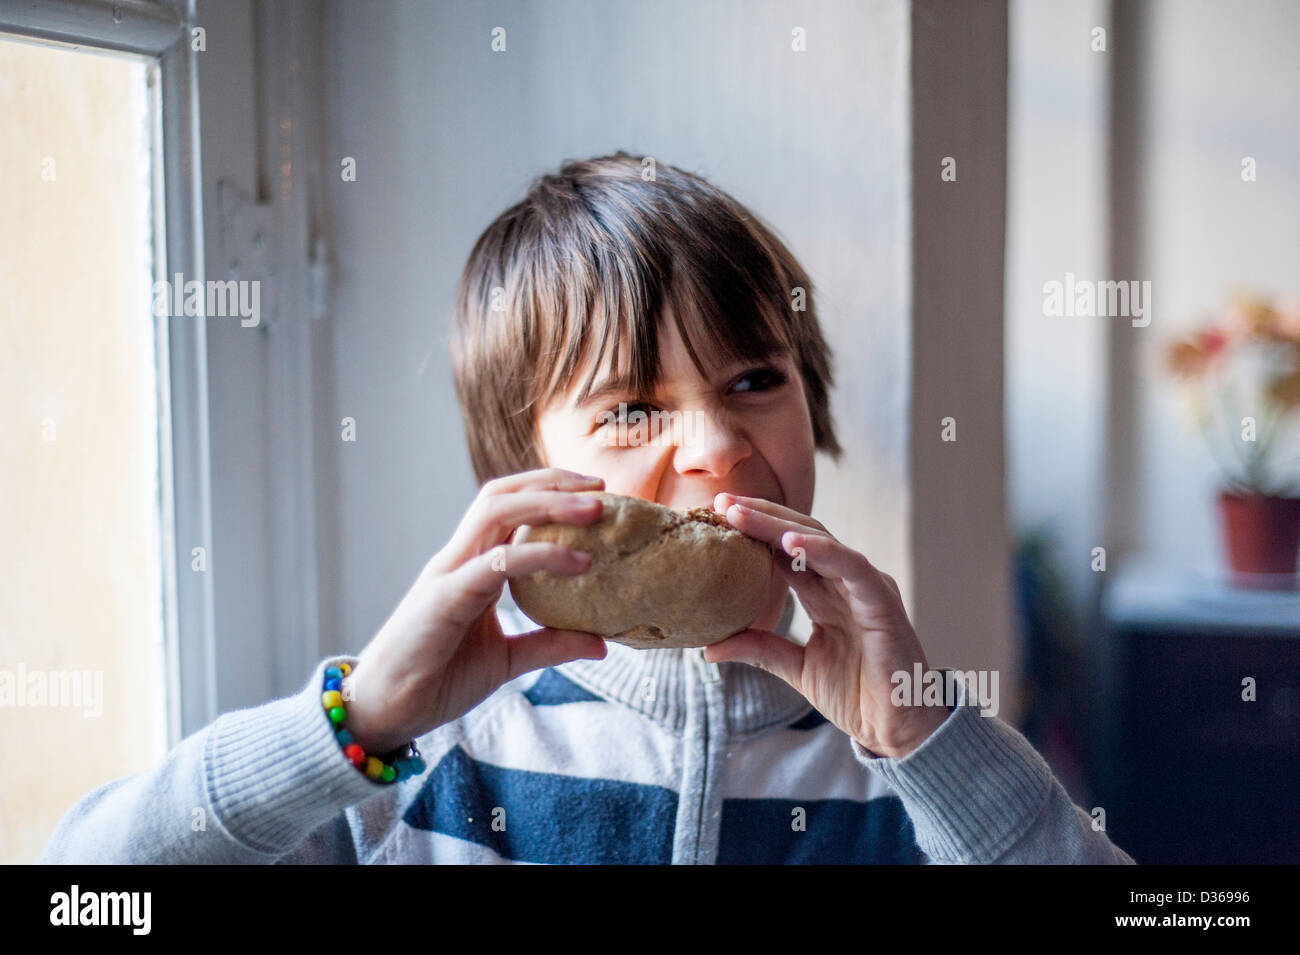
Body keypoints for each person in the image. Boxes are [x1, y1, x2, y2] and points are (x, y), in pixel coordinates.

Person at [38, 152, 1135, 864]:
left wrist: (930, 742)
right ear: (522, 471)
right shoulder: (419, 759)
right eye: (629, 409)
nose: (714, 448)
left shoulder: (914, 770)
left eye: (755, 380)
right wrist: (356, 720)